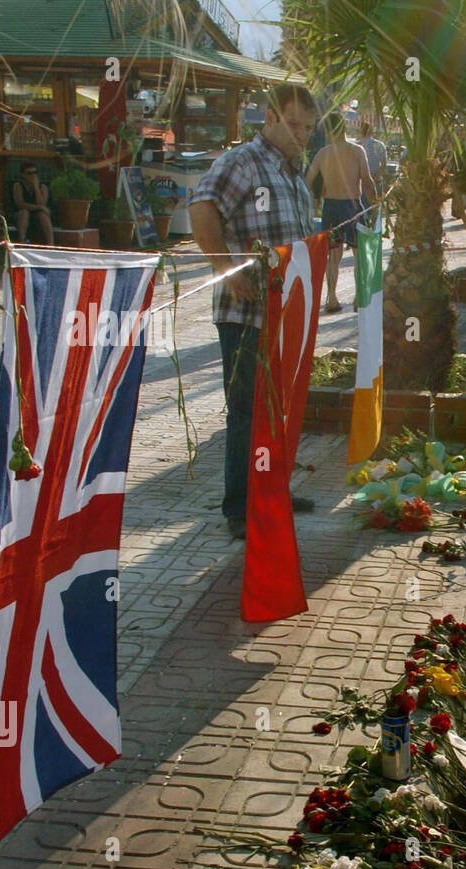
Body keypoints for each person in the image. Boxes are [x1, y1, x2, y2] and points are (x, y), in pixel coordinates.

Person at [188, 83, 319, 541]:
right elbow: (201, 206)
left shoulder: (292, 174)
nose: (301, 134)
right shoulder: (243, 161)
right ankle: (240, 508)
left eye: (308, 127)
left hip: (286, 317)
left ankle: (272, 491)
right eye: (293, 124)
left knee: (277, 411)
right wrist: (225, 270)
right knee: (245, 411)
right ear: (269, 118)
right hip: (246, 314)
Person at [305, 110, 377, 314]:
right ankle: (357, 297)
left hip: (331, 207)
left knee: (333, 255)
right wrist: (375, 205)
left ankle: (332, 298)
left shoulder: (323, 154)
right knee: (358, 253)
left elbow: (307, 180)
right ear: (344, 127)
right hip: (352, 206)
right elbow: (367, 180)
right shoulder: (356, 151)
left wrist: (313, 201)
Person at [12, 163, 54, 245]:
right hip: (21, 214)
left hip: (37, 215)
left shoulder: (42, 187)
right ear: (23, 175)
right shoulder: (18, 186)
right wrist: (39, 207)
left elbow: (42, 203)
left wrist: (36, 187)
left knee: (43, 215)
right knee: (25, 212)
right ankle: (22, 241)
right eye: (29, 173)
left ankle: (51, 244)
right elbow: (20, 204)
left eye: (35, 172)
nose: (33, 175)